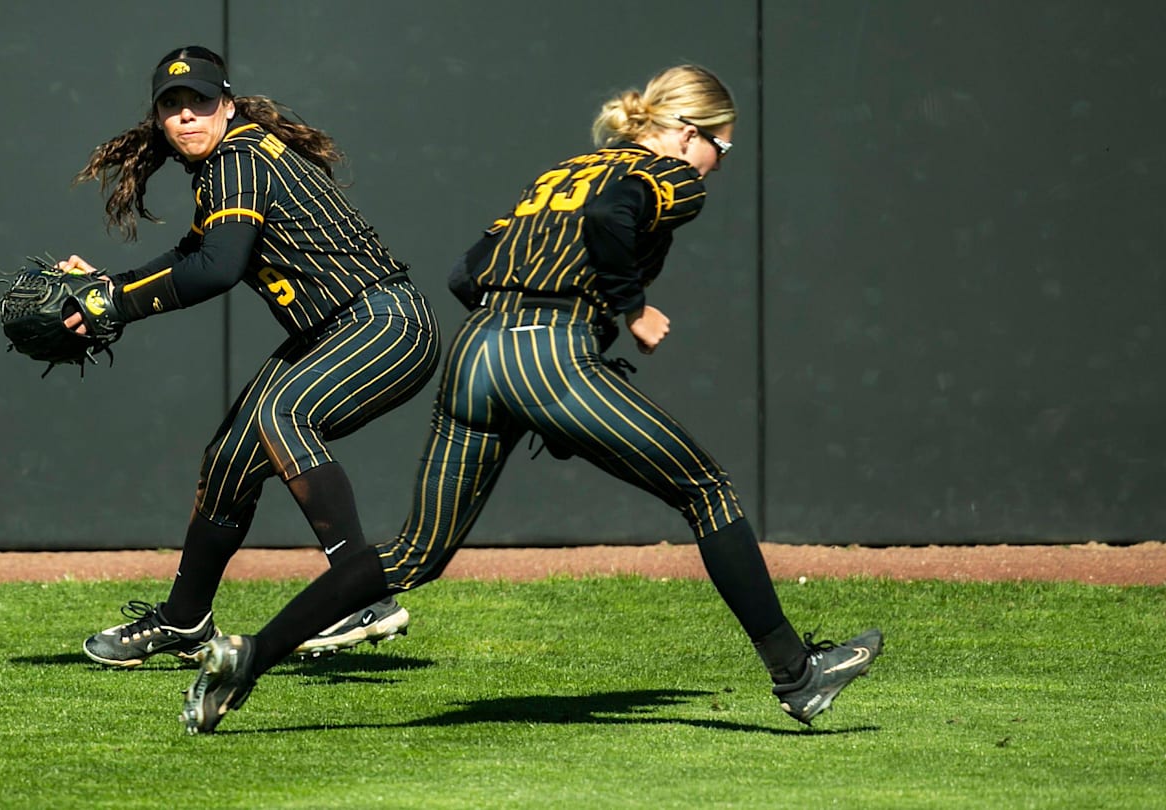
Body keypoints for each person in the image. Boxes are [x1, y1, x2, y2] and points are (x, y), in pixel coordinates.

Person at [178, 63, 882, 734]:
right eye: (720, 146)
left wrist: (531, 380)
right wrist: (628, 311)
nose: (717, 163)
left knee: (414, 552)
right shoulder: (666, 174)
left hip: (478, 352)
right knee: (706, 491)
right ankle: (796, 674)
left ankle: (248, 658)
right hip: (547, 351)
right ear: (689, 132)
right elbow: (611, 218)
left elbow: (468, 272)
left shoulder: (563, 172)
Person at [68, 46, 440, 667]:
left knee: (280, 418)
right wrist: (110, 288)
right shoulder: (232, 164)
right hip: (335, 331)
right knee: (230, 459)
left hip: (380, 323)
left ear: (228, 105)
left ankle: (362, 592)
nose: (187, 116)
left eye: (200, 102)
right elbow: (192, 257)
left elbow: (217, 270)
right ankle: (186, 622)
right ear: (159, 118)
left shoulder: (239, 159)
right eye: (172, 105)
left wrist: (117, 306)